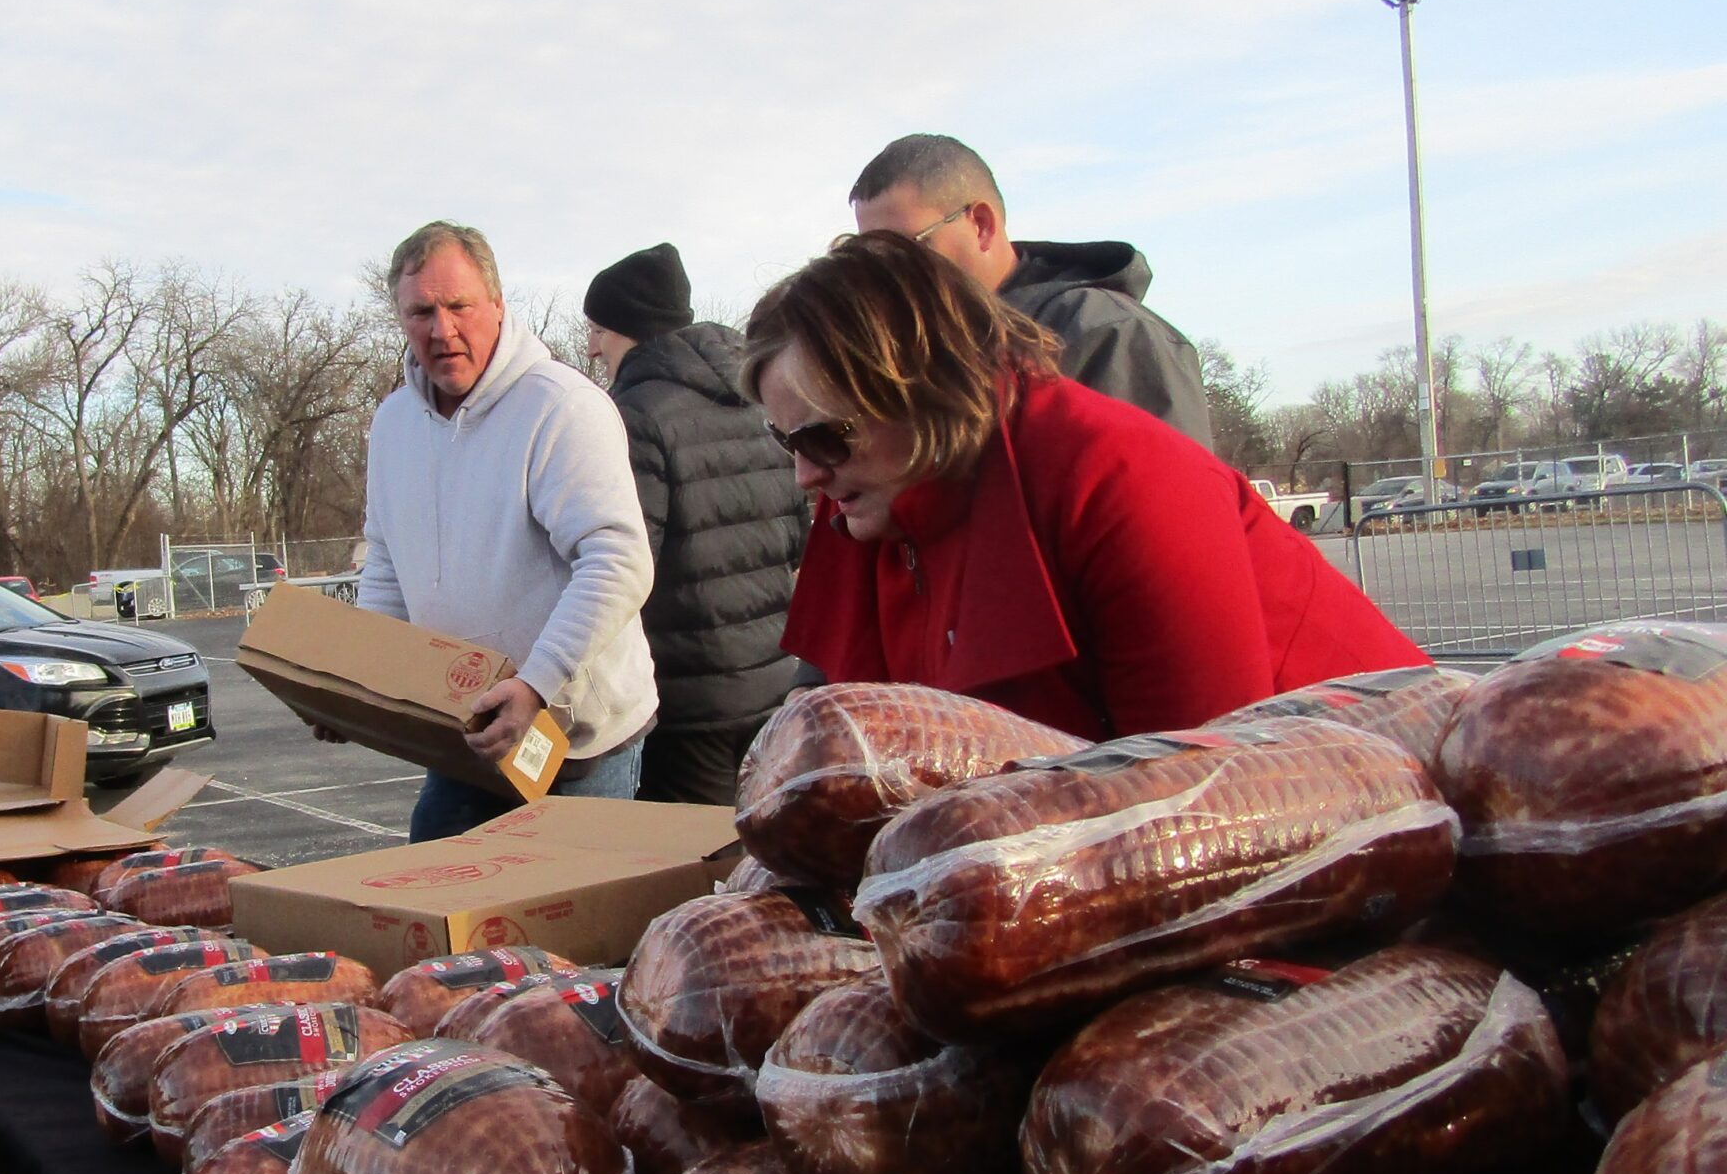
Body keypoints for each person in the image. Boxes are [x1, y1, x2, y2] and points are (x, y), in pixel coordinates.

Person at [743, 234, 1424, 741]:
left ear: (924, 393)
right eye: (788, 442)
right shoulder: (878, 509)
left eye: (827, 438)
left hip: (1378, 818)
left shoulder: (1121, 477)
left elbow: (1205, 793)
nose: (807, 476)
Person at [356, 220, 658, 841]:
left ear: (496, 302)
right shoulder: (394, 425)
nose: (442, 330)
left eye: (458, 305)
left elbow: (618, 562)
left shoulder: (559, 408)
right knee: (441, 911)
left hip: (574, 739)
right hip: (468, 729)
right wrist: (360, 685)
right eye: (420, 312)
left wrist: (536, 684)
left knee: (572, 925)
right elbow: (386, 561)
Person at [581, 242, 806, 806]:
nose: (591, 347)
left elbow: (628, 563)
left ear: (626, 330)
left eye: (598, 331)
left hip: (688, 703)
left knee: (691, 872)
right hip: (777, 684)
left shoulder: (634, 415)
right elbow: (800, 536)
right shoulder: (758, 400)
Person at [847, 133, 1210, 444]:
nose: (887, 276)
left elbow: (1171, 510)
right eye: (871, 259)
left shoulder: (1113, 336)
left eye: (906, 250)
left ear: (982, 225)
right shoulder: (911, 355)